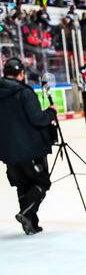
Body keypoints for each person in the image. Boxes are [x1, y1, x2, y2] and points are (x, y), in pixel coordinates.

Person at [0, 56, 57, 235]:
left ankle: (31, 224)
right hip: (29, 147)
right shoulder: (24, 92)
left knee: (22, 184)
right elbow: (37, 118)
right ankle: (26, 213)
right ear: (21, 74)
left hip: (8, 149)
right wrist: (50, 112)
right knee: (41, 182)